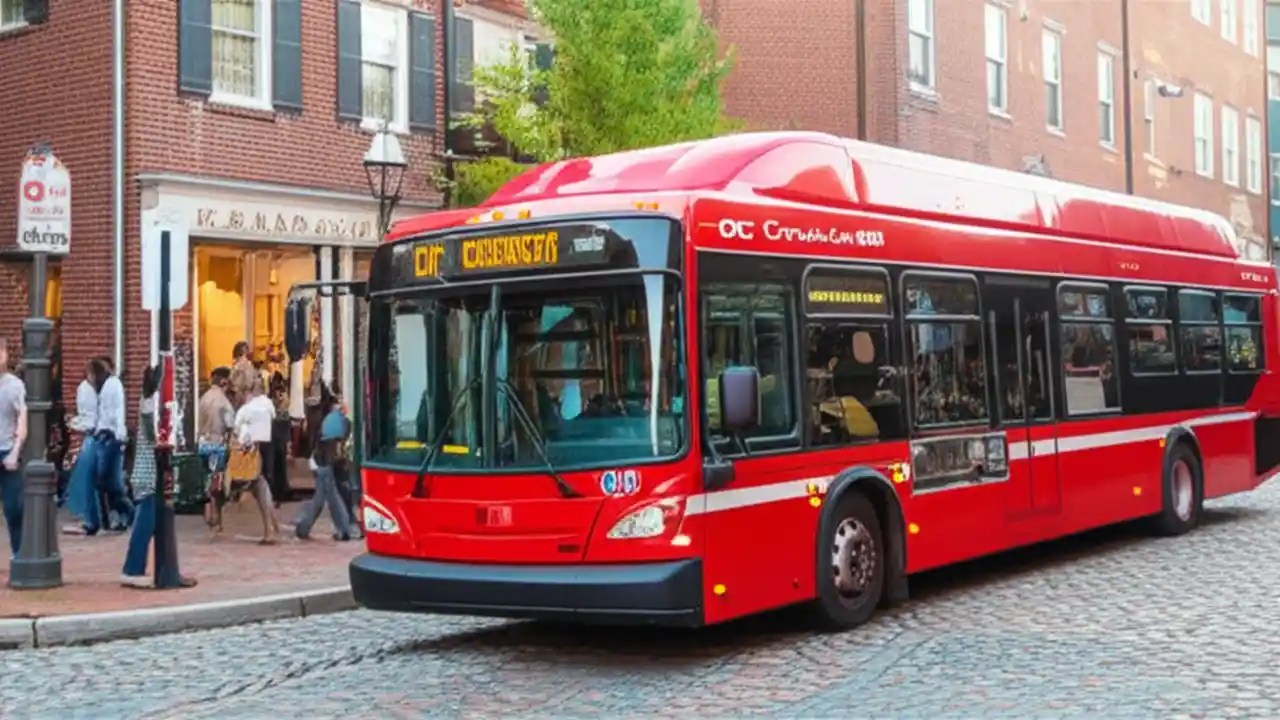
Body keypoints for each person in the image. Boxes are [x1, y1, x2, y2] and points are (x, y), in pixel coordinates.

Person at [121, 365, 196, 589]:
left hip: (151, 477)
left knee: (153, 523)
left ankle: (162, 570)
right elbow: (148, 420)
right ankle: (132, 569)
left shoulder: (151, 411)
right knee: (144, 525)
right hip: (147, 477)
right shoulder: (148, 413)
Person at [294, 391, 358, 541]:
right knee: (329, 497)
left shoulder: (324, 418)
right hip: (327, 461)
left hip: (321, 460)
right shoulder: (338, 420)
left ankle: (305, 527)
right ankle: (342, 529)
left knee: (322, 497)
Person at [232, 376, 281, 543]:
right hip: (267, 446)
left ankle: (270, 530)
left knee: (259, 488)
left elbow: (237, 430)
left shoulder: (245, 410)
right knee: (263, 486)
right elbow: (273, 417)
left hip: (252, 450)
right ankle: (273, 525)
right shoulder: (268, 403)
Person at [62, 359, 105, 536]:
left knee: (82, 479)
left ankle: (85, 519)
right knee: (89, 480)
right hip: (97, 438)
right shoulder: (99, 388)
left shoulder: (84, 389)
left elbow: (88, 420)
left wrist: (72, 422)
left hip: (89, 438)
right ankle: (91, 519)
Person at [90, 355, 133, 533]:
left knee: (109, 483)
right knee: (107, 483)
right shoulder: (110, 385)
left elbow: (116, 412)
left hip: (110, 438)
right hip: (108, 436)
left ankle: (130, 514)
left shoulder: (112, 385)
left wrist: (119, 435)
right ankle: (116, 518)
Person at [198, 366, 235, 533]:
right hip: (217, 444)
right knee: (217, 483)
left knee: (208, 478)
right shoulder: (223, 402)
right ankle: (216, 516)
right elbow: (230, 425)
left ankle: (210, 511)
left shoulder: (204, 398)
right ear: (224, 382)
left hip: (203, 443)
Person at [0, 337, 27, 557]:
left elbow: (22, 419)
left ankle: (19, 553)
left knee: (14, 508)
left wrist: (15, 451)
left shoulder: (14, 385)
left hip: (6, 449)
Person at [229, 341, 257, 410]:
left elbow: (231, 379)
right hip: (241, 395)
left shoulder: (240, 364)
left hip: (240, 395)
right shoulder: (244, 364)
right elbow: (249, 383)